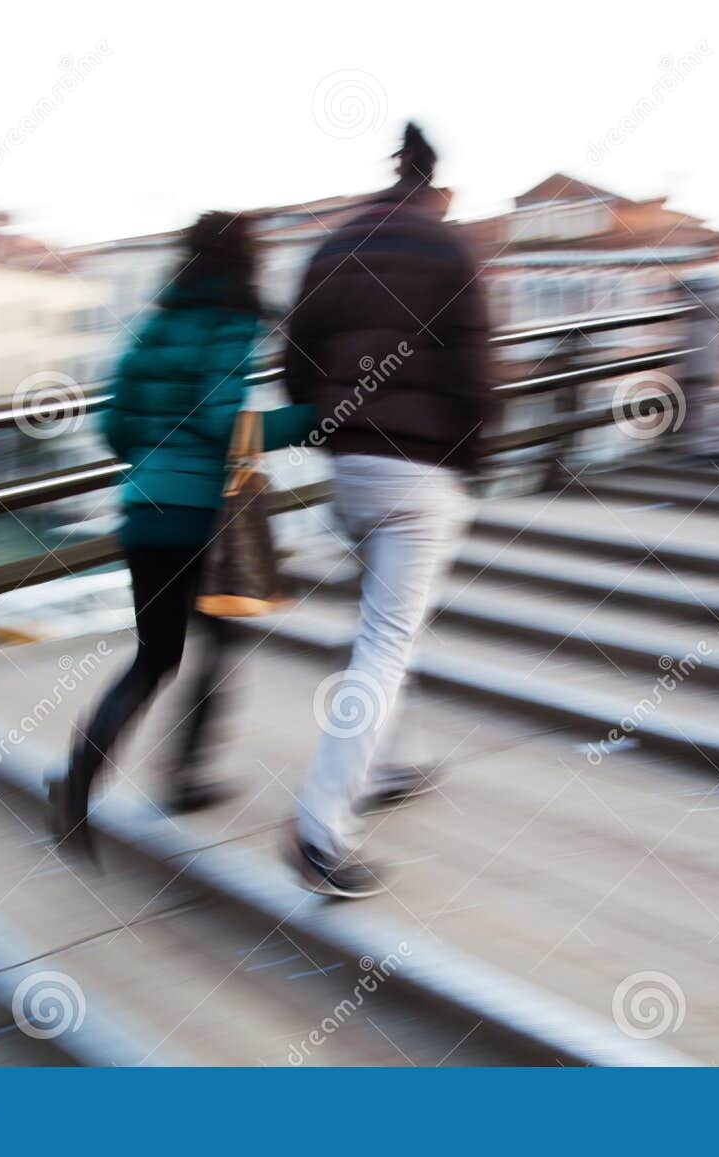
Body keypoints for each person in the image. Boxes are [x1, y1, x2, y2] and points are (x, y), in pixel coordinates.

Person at [49, 211, 314, 859]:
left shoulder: (156, 322)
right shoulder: (232, 323)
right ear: (246, 261)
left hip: (143, 510)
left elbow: (112, 421)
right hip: (200, 519)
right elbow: (227, 421)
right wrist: (308, 420)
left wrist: (151, 462)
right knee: (221, 640)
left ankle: (79, 778)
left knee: (154, 656)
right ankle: (186, 774)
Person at [283, 122, 495, 898]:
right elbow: (476, 369)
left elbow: (295, 355)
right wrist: (474, 460)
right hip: (420, 469)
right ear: (436, 185)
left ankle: (396, 758)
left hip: (352, 463)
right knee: (386, 640)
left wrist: (327, 423)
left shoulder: (336, 243)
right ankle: (319, 830)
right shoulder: (448, 248)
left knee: (381, 622)